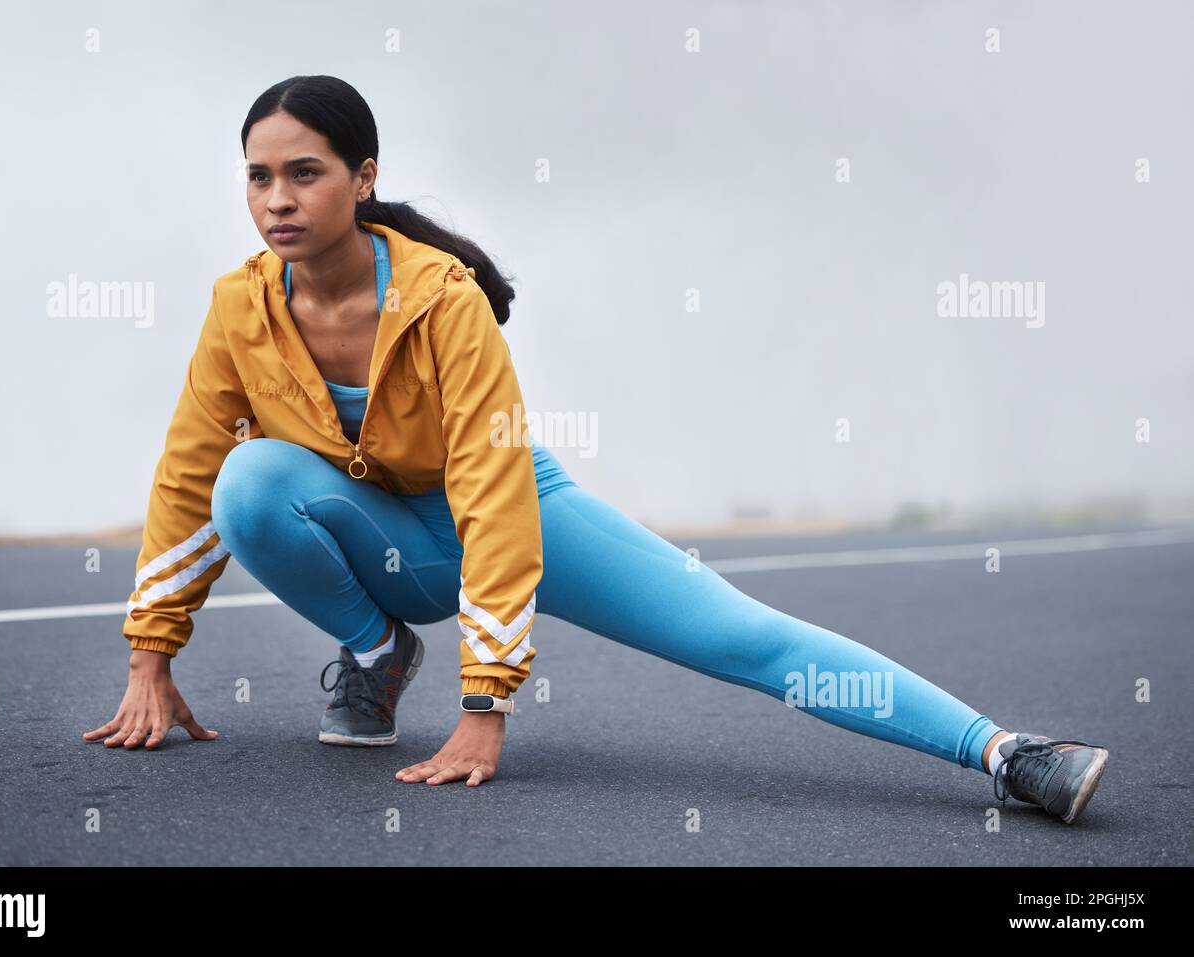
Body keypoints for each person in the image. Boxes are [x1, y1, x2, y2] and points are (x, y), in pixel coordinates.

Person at [85, 75, 1110, 821]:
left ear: (362, 179)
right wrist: (151, 654)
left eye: (303, 173)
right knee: (248, 476)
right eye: (258, 177)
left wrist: (485, 702)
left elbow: (487, 491)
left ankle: (1008, 752)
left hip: (510, 514)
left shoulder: (443, 303)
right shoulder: (241, 308)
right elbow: (188, 472)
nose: (276, 199)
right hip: (373, 526)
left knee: (741, 637)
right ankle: (376, 652)